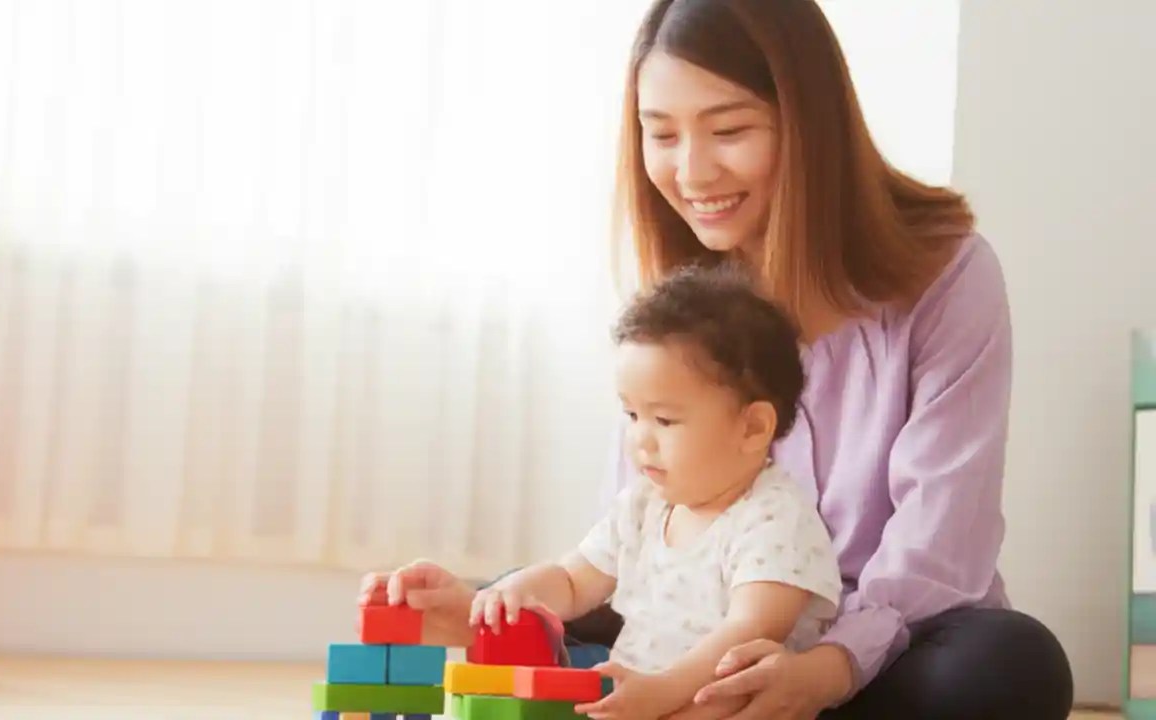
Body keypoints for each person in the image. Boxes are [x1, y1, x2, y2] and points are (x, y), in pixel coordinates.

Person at [361, 0, 1075, 718]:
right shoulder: (687, 306)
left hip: (887, 641)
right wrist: (498, 608)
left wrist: (824, 669)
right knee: (531, 587)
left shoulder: (948, 274)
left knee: (1007, 665)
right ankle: (621, 677)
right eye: (661, 134)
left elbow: (941, 543)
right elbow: (639, 524)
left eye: (729, 130)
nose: (692, 172)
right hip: (706, 631)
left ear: (809, 123)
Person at [471, 265, 842, 718]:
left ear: (753, 427)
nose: (641, 439)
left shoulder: (776, 518)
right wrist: (519, 590)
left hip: (715, 704)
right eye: (632, 415)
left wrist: (665, 691)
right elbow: (572, 581)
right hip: (638, 700)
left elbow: (750, 629)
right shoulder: (646, 504)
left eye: (664, 420)